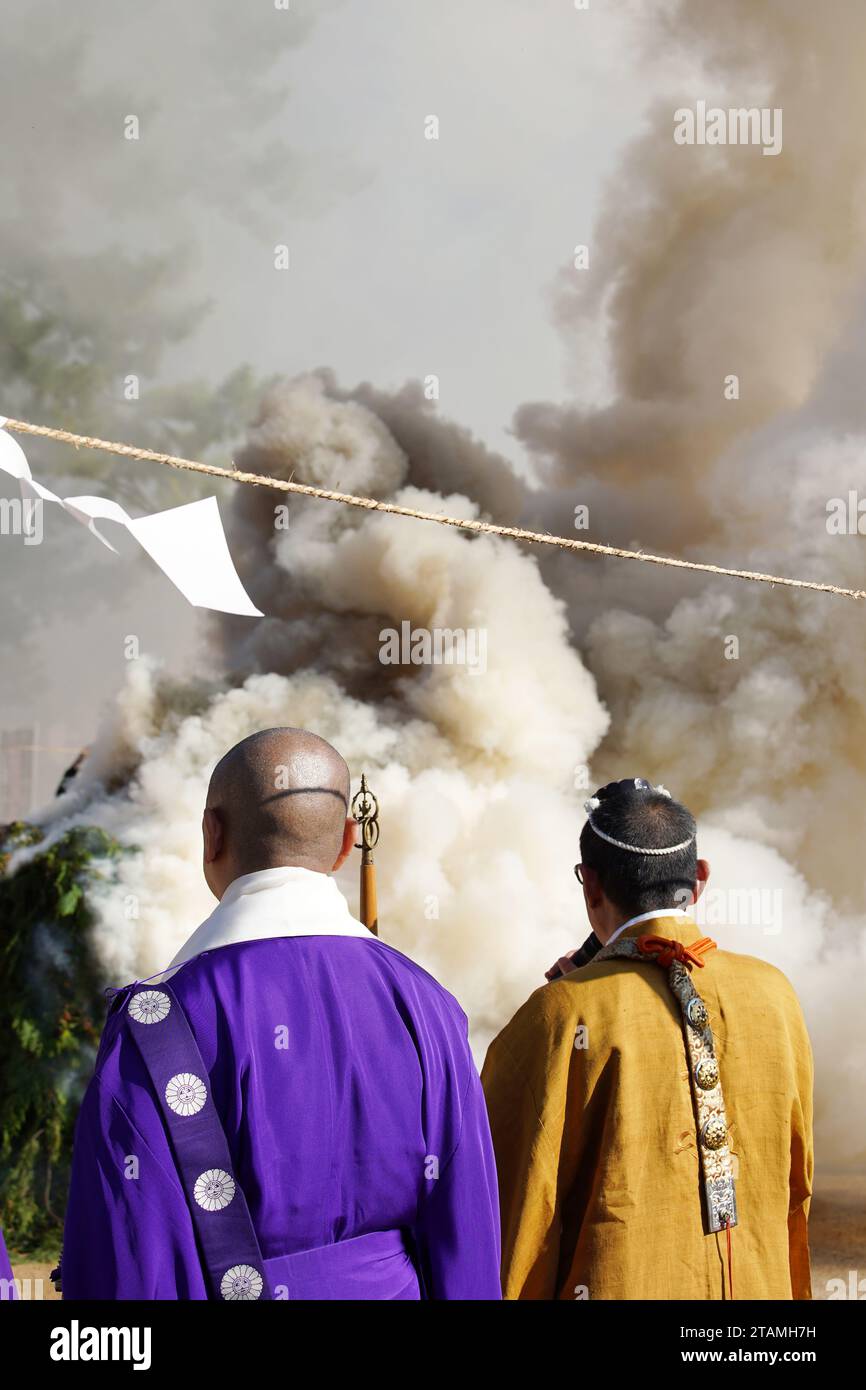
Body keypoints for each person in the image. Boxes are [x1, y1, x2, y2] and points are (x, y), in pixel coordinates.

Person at [61, 728, 500, 1300]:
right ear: (347, 843)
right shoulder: (427, 1003)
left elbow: (127, 1255)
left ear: (210, 834)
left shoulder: (155, 1020)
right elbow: (466, 1229)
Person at [482, 778, 813, 1300]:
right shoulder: (775, 992)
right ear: (699, 879)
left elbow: (512, 1213)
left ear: (590, 885)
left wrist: (575, 998)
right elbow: (797, 1181)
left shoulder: (560, 1013)